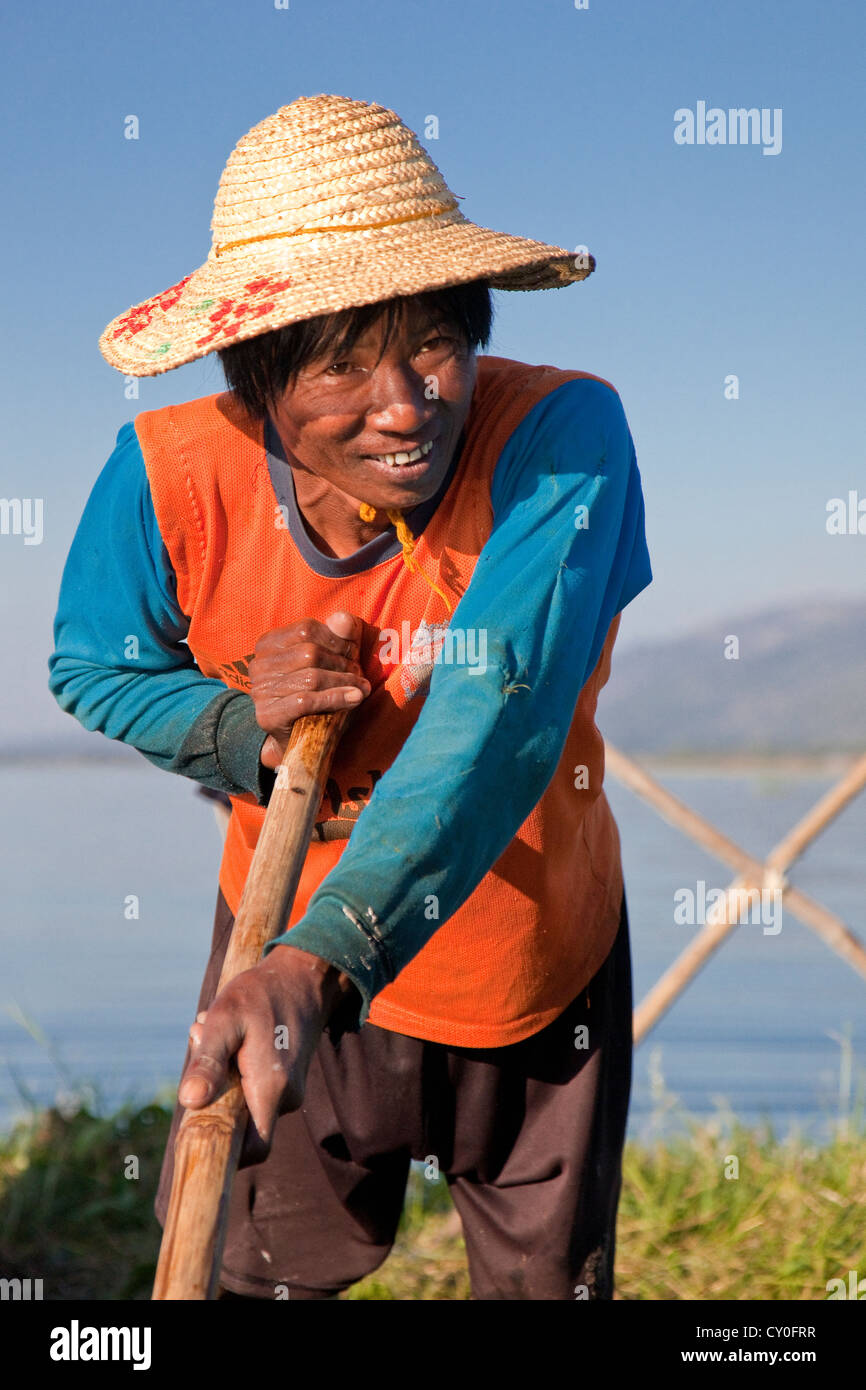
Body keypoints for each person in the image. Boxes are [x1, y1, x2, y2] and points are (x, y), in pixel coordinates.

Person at [49, 94, 652, 1300]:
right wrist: (233, 728)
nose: (403, 401)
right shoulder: (169, 476)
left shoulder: (560, 436)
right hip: (274, 952)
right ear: (256, 371)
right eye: (336, 361)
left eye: (432, 340)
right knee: (251, 1275)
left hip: (524, 955)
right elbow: (97, 668)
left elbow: (498, 715)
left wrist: (320, 959)